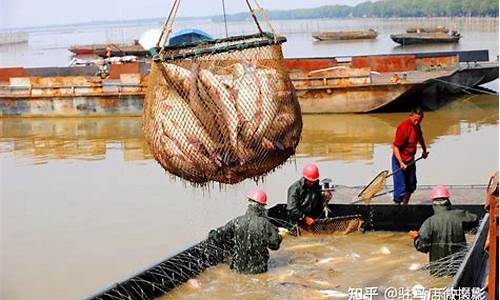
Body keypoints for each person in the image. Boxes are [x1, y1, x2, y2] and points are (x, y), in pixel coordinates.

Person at [208, 188, 283, 274]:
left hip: (238, 269)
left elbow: (217, 235)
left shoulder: (236, 221)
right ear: (262, 207)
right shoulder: (265, 224)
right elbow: (274, 246)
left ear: (249, 204)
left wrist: (211, 234)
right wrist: (280, 236)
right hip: (259, 271)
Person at [409, 185, 478, 275]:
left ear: (433, 203)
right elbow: (475, 220)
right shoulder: (459, 215)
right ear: (448, 201)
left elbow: (423, 247)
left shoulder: (429, 222)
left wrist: (416, 237)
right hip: (458, 267)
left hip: (438, 271)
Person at [392, 107, 429, 205]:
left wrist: (424, 150)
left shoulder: (417, 126)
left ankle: (405, 205)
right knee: (400, 188)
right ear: (410, 116)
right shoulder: (403, 127)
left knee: (411, 185)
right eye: (415, 120)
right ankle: (397, 207)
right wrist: (401, 163)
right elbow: (395, 147)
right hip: (399, 159)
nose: (417, 122)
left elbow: (420, 138)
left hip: (410, 159)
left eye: (419, 121)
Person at [287, 163, 333, 227]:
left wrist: (326, 197)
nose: (312, 183)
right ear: (305, 178)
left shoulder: (316, 187)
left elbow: (321, 203)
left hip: (312, 217)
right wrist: (305, 218)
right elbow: (291, 208)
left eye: (314, 181)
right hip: (297, 219)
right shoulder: (295, 188)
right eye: (310, 181)